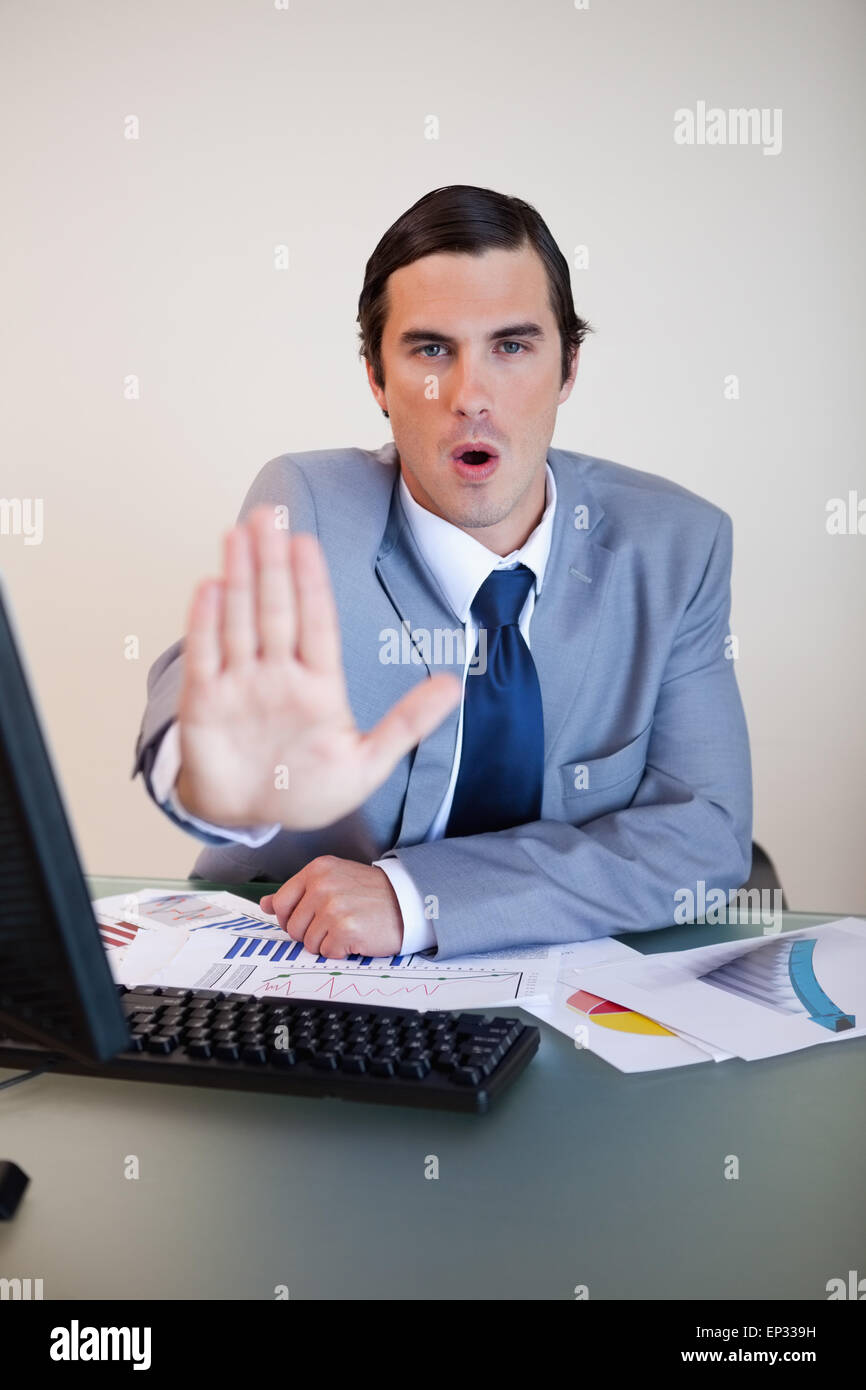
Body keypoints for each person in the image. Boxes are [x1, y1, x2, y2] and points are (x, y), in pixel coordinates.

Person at [133, 184, 752, 961]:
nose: (470, 397)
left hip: (563, 996)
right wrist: (216, 777)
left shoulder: (676, 546)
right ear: (377, 381)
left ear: (568, 369)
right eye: (431, 351)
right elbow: (210, 675)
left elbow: (702, 836)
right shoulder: (312, 506)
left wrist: (416, 897)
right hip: (305, 977)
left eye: (513, 346)